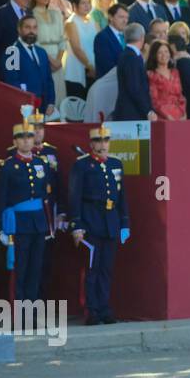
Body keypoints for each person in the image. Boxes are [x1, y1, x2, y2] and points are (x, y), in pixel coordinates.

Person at [68, 125, 130, 325]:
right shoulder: (82, 166)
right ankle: (91, 310)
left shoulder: (116, 164)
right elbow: (74, 197)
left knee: (106, 269)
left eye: (105, 141)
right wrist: (77, 225)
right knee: (92, 269)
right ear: (91, 144)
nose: (102, 145)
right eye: (98, 141)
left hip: (110, 222)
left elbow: (122, 196)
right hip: (91, 222)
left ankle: (104, 308)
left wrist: (124, 222)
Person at [0, 122, 52, 313]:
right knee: (20, 268)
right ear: (15, 141)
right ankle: (19, 312)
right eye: (22, 137)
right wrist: (2, 227)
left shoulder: (41, 163)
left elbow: (45, 195)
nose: (27, 141)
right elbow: (1, 199)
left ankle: (33, 311)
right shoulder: (9, 166)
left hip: (38, 222)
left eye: (29, 136)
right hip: (19, 222)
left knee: (36, 268)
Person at [0, 13, 56, 112]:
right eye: (27, 27)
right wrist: (24, 103)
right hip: (23, 108)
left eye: (34, 27)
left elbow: (49, 80)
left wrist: (51, 102)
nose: (31, 31)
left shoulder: (41, 52)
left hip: (43, 108)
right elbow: (12, 82)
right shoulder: (12, 52)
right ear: (19, 29)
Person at [30, 0, 68, 106]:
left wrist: (59, 60)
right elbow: (35, 41)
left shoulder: (56, 13)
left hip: (58, 57)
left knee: (59, 93)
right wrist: (51, 60)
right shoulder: (31, 15)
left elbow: (63, 38)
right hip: (42, 56)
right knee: (46, 91)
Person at [113, 22, 155, 121]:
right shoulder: (131, 57)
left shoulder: (130, 55)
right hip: (131, 113)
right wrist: (147, 110)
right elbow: (135, 88)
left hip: (132, 112)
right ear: (142, 37)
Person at [146, 39, 186, 121]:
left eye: (166, 51)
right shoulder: (151, 75)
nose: (164, 55)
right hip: (162, 117)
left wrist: (183, 113)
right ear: (154, 55)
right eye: (160, 52)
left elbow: (180, 96)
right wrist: (168, 116)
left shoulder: (175, 72)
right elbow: (154, 101)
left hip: (179, 115)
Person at [92, 3, 129, 78]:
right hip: (109, 83)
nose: (125, 20)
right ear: (110, 17)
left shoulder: (127, 35)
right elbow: (107, 66)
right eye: (121, 17)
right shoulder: (102, 38)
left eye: (127, 17)